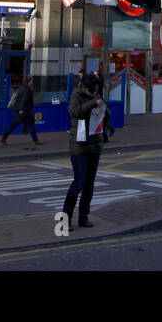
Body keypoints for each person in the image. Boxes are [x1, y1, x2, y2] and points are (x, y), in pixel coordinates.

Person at [61, 72, 105, 230]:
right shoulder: (76, 96)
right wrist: (93, 103)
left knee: (89, 185)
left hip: (95, 144)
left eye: (96, 91)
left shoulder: (96, 93)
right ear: (84, 87)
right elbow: (74, 112)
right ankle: (65, 218)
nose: (94, 94)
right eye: (91, 91)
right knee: (79, 182)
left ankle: (83, 216)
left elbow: (105, 115)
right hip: (79, 145)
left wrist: (104, 110)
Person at [0, 74, 40, 147]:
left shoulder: (21, 88)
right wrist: (21, 109)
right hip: (25, 111)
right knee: (31, 125)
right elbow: (23, 100)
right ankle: (36, 140)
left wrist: (19, 109)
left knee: (14, 125)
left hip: (21, 110)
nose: (32, 82)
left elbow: (19, 99)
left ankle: (4, 137)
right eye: (31, 80)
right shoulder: (27, 90)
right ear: (29, 81)